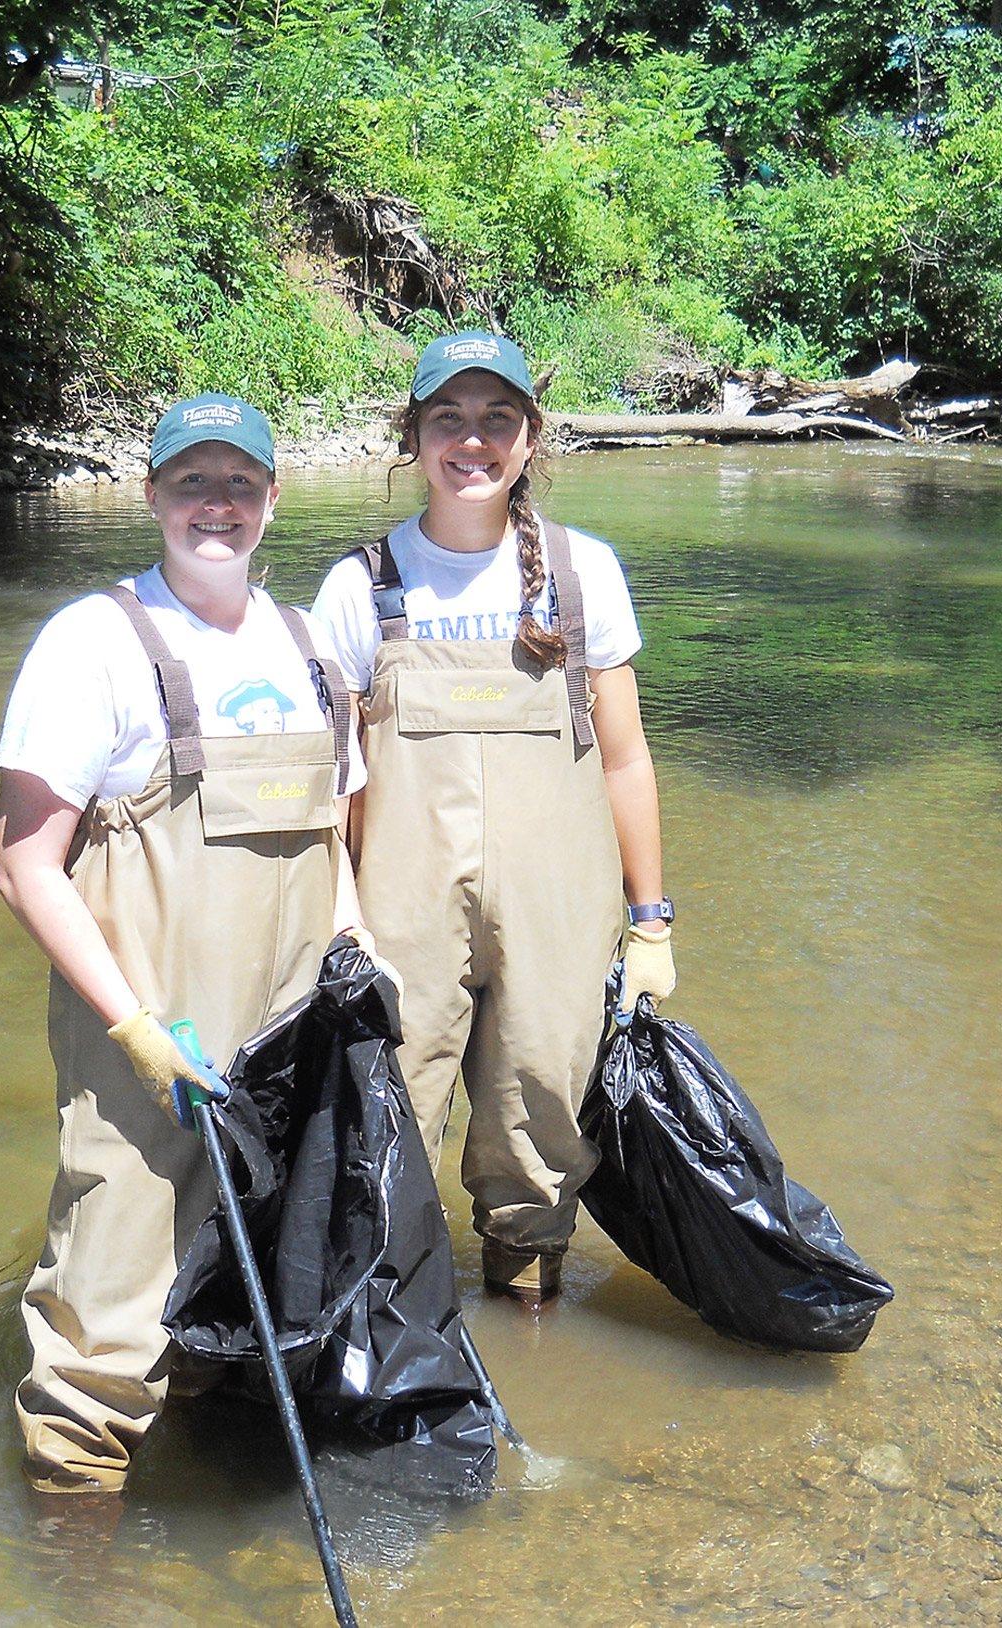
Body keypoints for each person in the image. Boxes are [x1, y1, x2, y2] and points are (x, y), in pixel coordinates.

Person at [0, 394, 372, 1495]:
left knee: (258, 1274)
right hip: (147, 1038)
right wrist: (134, 1030)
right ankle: (77, 1538)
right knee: (107, 1309)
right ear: (151, 492)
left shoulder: (305, 646)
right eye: (193, 481)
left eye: (240, 481)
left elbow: (330, 841)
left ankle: (210, 1458)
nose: (218, 503)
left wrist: (362, 955)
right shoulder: (93, 641)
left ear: (272, 496)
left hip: (283, 1032)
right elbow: (24, 867)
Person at [311, 332, 676, 1309]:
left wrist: (651, 921)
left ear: (529, 437)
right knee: (387, 1120)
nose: (471, 441)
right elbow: (333, 783)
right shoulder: (359, 585)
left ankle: (527, 1317)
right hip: (400, 912)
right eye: (448, 419)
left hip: (558, 908)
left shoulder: (581, 571)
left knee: (542, 1124)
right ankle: (386, 1327)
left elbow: (628, 757)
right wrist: (336, 921)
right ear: (414, 435)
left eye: (495, 419)